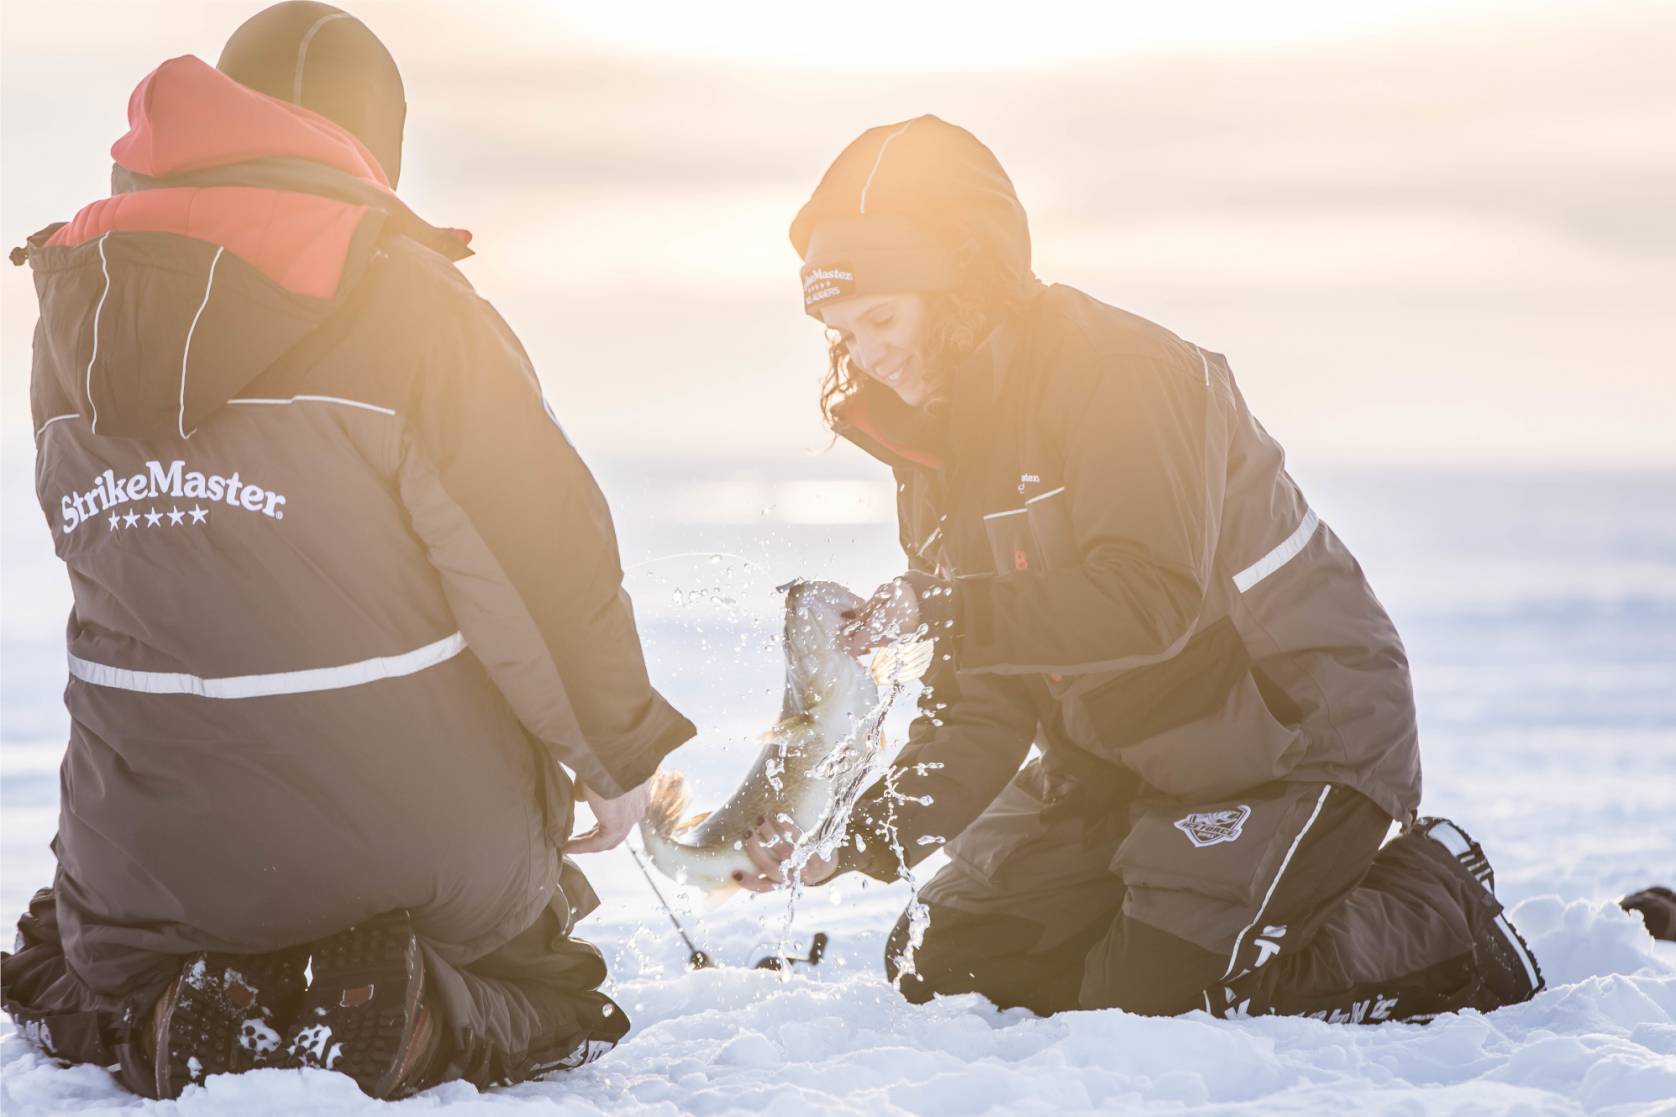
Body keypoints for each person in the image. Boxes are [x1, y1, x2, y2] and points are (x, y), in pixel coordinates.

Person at [1, 2, 694, 1099]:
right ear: (375, 141)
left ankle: (175, 997)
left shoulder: (75, 305)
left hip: (147, 852)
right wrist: (610, 760)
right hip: (404, 851)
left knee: (72, 950)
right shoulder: (404, 293)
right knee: (540, 964)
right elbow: (534, 558)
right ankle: (414, 1011)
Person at [741, 115, 1545, 1024]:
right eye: (844, 334)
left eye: (882, 318)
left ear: (964, 283)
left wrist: (946, 605)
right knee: (941, 966)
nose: (869, 355)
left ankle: (1436, 906)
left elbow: (1149, 600)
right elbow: (982, 693)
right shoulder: (936, 448)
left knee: (1164, 1002)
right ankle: (1170, 908)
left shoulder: (1124, 373)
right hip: (1118, 763)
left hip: (1294, 745)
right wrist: (856, 837)